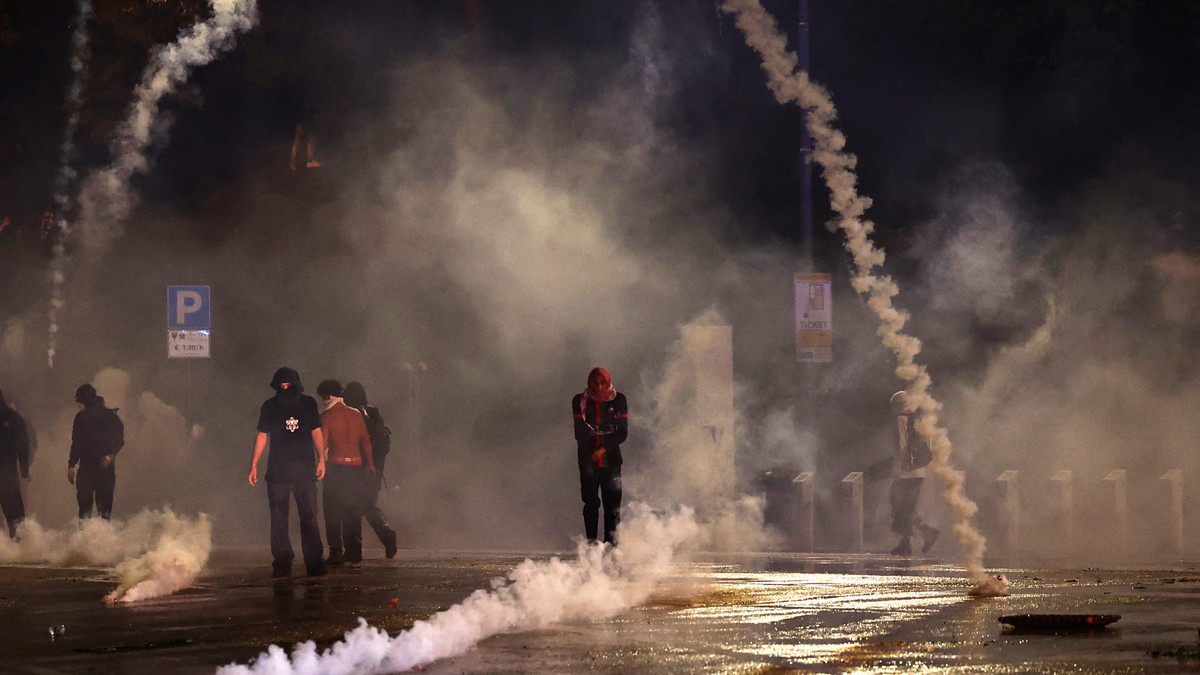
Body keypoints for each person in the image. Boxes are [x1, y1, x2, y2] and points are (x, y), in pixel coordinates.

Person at [249, 368, 327, 578]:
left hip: (304, 471)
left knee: (309, 516)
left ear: (296, 385)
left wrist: (322, 459)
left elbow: (316, 432)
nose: (285, 389)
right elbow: (262, 436)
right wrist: (254, 465)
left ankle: (314, 560)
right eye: (281, 386)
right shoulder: (270, 406)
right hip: (277, 473)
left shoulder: (308, 404)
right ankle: (282, 559)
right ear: (276, 386)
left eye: (288, 385)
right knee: (278, 519)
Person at [316, 379, 375, 566]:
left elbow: (322, 447)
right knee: (353, 511)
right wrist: (370, 465)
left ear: (326, 396)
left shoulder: (326, 416)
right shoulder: (356, 414)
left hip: (336, 467)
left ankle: (336, 552)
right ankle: (354, 551)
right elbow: (365, 442)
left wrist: (320, 465)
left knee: (333, 512)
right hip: (356, 468)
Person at [571, 367, 628, 545]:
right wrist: (591, 452)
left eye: (602, 381)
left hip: (611, 460)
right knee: (590, 503)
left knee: (612, 506)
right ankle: (591, 545)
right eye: (596, 382)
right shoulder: (579, 400)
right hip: (587, 460)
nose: (599, 385)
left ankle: (612, 546)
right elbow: (579, 432)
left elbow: (622, 433)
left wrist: (603, 448)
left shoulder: (619, 400)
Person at [343, 381, 397, 558]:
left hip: (359, 466)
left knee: (353, 507)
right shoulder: (374, 413)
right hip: (376, 467)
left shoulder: (354, 414)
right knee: (367, 505)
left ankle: (354, 550)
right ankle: (385, 535)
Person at [887, 390, 939, 556]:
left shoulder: (900, 419)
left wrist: (897, 469)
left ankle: (923, 534)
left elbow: (902, 447)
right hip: (919, 471)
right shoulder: (919, 420)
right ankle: (907, 542)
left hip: (906, 471)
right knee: (907, 507)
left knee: (898, 503)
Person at [67, 384, 124, 520]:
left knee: (85, 512)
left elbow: (77, 444)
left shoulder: (81, 417)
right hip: (106, 468)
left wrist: (71, 465)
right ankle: (102, 539)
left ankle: (85, 539)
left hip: (87, 468)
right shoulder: (111, 415)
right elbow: (120, 440)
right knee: (104, 513)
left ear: (83, 400)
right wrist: (111, 455)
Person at [0, 389, 31, 538]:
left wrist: (25, 470)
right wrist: (25, 470)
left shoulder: (12, 418)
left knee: (13, 512)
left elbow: (23, 445)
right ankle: (17, 544)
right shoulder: (14, 417)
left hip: (7, 470)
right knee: (15, 514)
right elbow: (24, 446)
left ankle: (13, 545)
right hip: (8, 470)